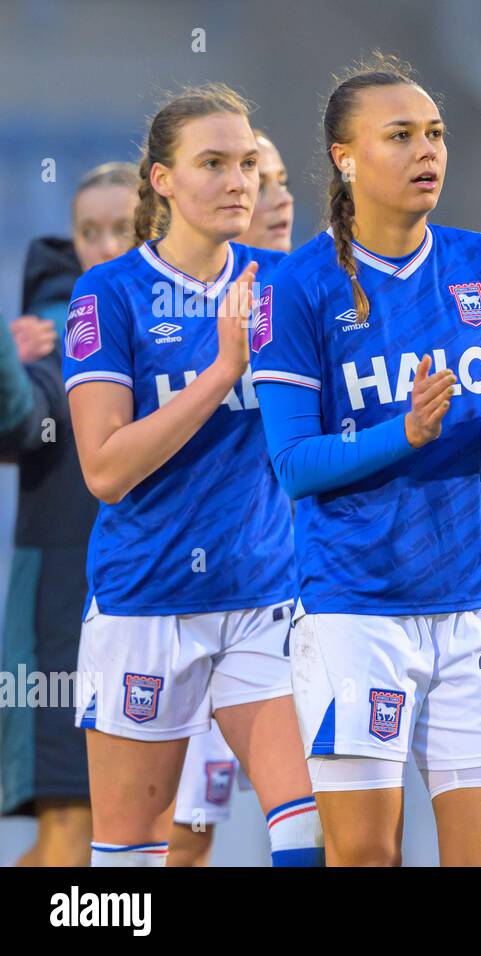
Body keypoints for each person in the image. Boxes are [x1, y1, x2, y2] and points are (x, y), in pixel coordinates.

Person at [249, 54, 481, 866]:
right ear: (345, 160)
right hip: (355, 608)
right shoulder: (297, 287)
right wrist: (407, 435)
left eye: (435, 134)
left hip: (472, 604)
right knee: (366, 857)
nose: (427, 151)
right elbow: (294, 465)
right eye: (401, 136)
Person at [62, 84, 322, 867]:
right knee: (131, 862)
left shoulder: (285, 282)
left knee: (311, 830)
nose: (240, 181)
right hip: (147, 602)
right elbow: (105, 470)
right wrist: (222, 370)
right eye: (212, 163)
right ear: (163, 181)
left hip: (262, 600)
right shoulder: (107, 296)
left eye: (247, 162)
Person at [0, 162, 138, 866]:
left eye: (124, 228)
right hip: (61, 619)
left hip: (167, 616)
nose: (106, 246)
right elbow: (19, 423)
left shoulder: (191, 331)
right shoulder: (55, 336)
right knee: (71, 835)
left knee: (168, 838)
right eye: (90, 232)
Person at [168, 127, 297, 867]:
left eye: (277, 179)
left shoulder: (311, 301)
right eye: (253, 176)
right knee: (183, 842)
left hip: (288, 607)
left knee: (328, 823)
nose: (274, 199)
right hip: (192, 607)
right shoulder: (172, 313)